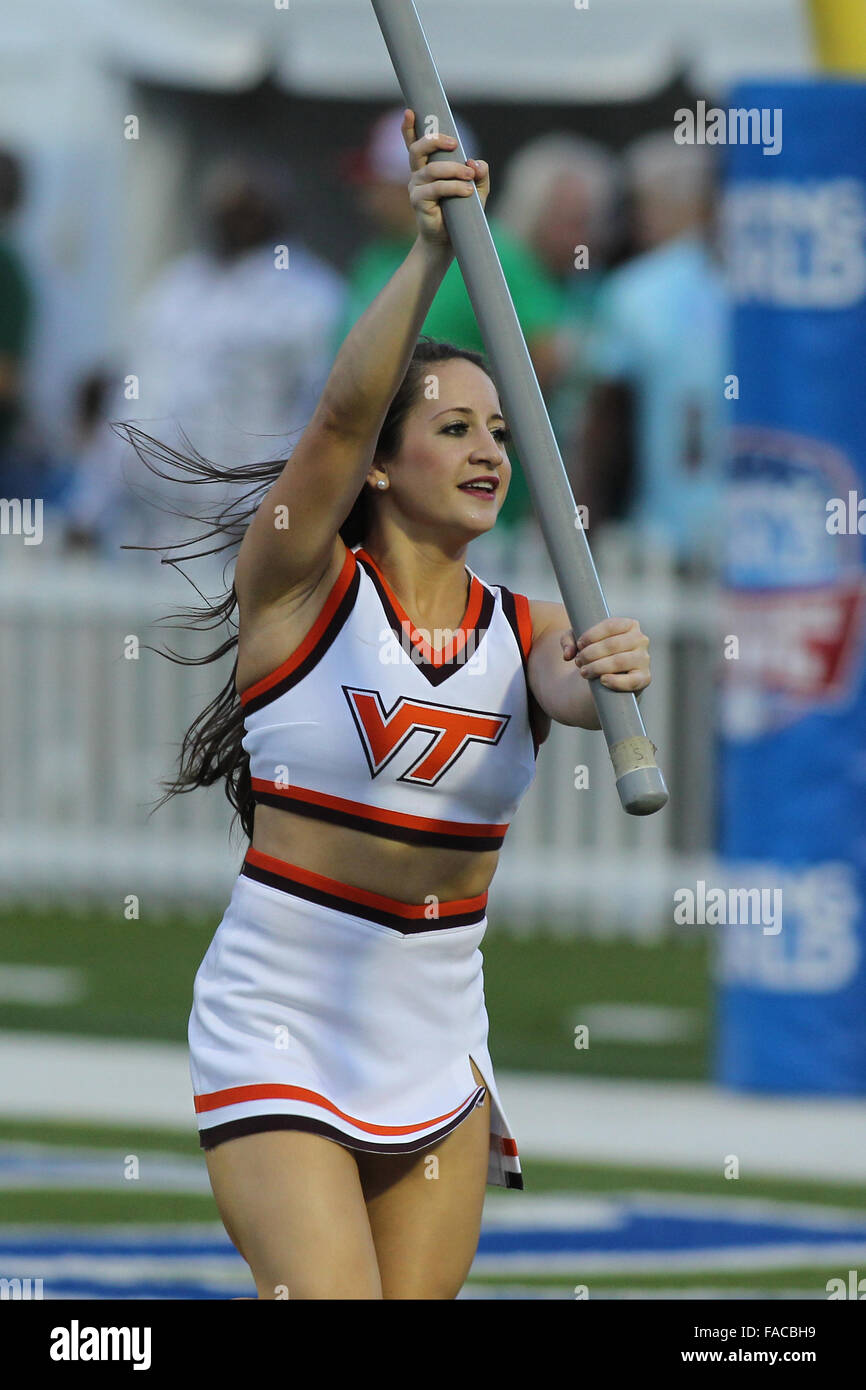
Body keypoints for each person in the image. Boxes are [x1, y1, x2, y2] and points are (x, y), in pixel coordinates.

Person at [127, 110, 652, 1299]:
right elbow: (331, 419)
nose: (486, 452)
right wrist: (424, 255)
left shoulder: (523, 630)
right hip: (282, 1020)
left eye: (501, 433)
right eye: (451, 428)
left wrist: (607, 663)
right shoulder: (297, 591)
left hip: (434, 1039)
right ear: (378, 462)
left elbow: (569, 682)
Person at [335, 106, 562, 539]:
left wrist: (473, 435)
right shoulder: (374, 259)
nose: (364, 196)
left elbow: (544, 362)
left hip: (478, 513)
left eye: (374, 182)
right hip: (383, 496)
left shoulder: (497, 254)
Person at [576, 132, 727, 566]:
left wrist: (585, 517)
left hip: (672, 535)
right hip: (681, 540)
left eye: (641, 207)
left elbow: (603, 419)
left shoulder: (635, 289)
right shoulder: (640, 289)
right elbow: (606, 416)